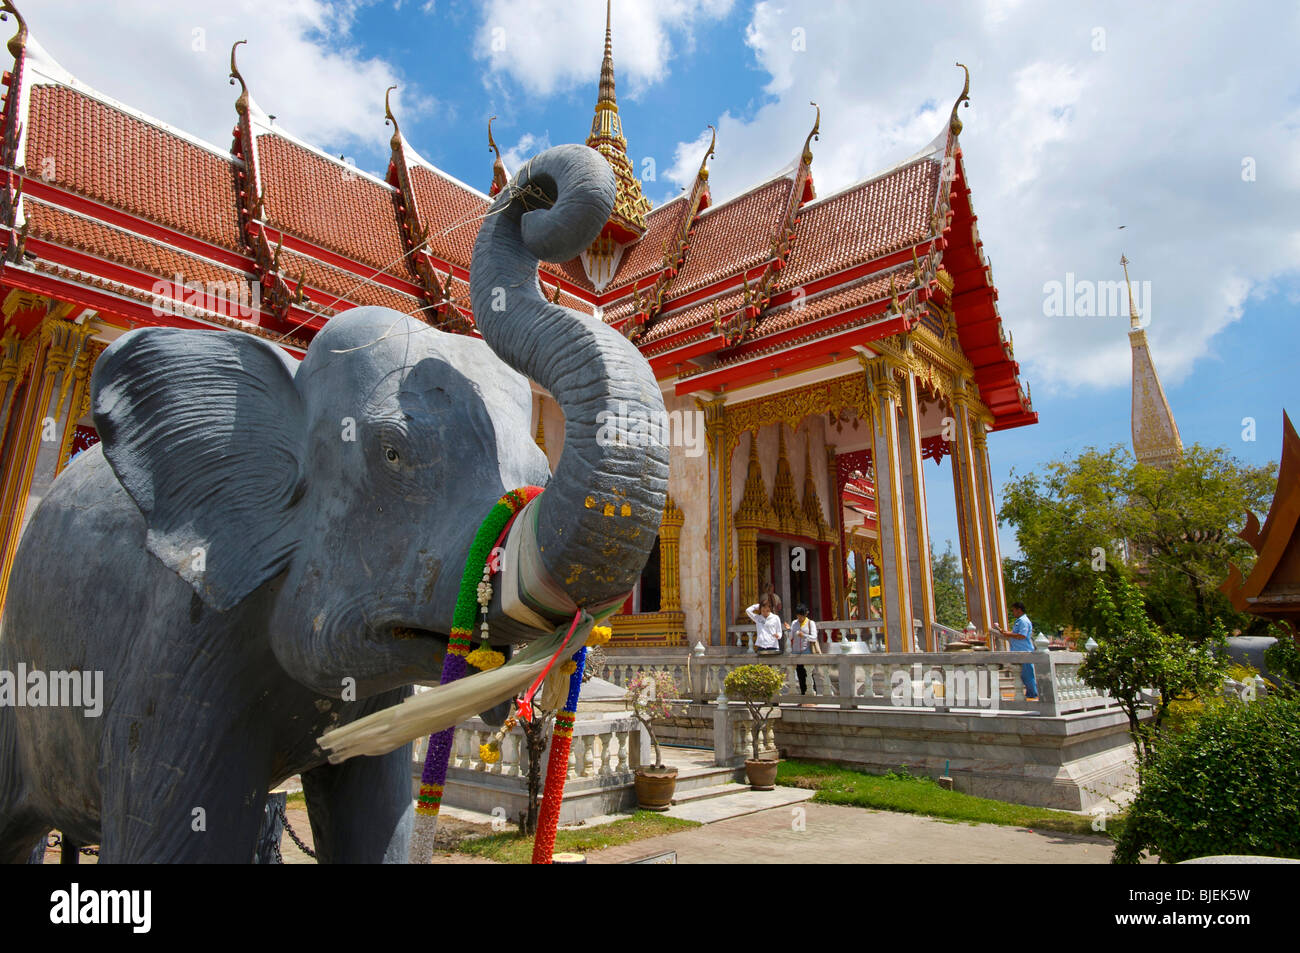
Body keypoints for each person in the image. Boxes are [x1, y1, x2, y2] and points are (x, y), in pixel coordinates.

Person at [993, 601, 1039, 701]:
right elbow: (1015, 634)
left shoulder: (1023, 621)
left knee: (1028, 674)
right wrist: (1003, 631)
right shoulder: (1019, 621)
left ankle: (1033, 694)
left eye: (1014, 610)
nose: (1013, 612)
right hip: (1018, 650)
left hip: (1024, 651)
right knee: (1022, 674)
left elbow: (1022, 635)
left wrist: (1009, 634)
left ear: (1019, 610)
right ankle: (1030, 693)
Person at [786, 603, 820, 697]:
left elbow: (814, 637)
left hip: (806, 650)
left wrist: (804, 635)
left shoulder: (810, 623)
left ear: (806, 614)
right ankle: (803, 694)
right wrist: (789, 630)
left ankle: (813, 693)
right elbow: (791, 637)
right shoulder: (794, 623)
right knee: (800, 673)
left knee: (808, 673)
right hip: (796, 650)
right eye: (798, 615)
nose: (800, 618)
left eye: (801, 615)